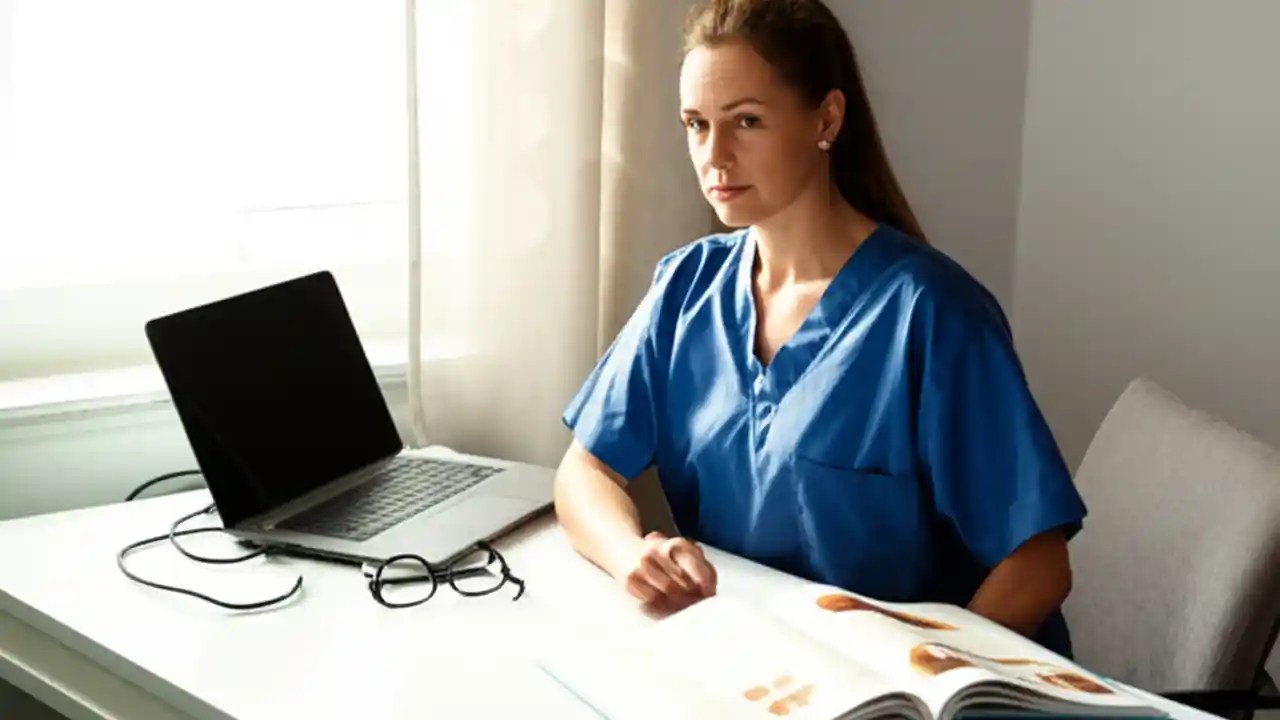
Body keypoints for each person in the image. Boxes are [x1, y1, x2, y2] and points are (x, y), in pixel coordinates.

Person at [553, 0, 1087, 658]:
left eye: (746, 121)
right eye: (697, 124)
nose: (714, 156)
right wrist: (632, 554)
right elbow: (585, 469)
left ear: (826, 119)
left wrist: (927, 676)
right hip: (771, 671)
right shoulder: (688, 288)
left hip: (921, 685)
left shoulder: (930, 314)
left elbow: (1038, 568)